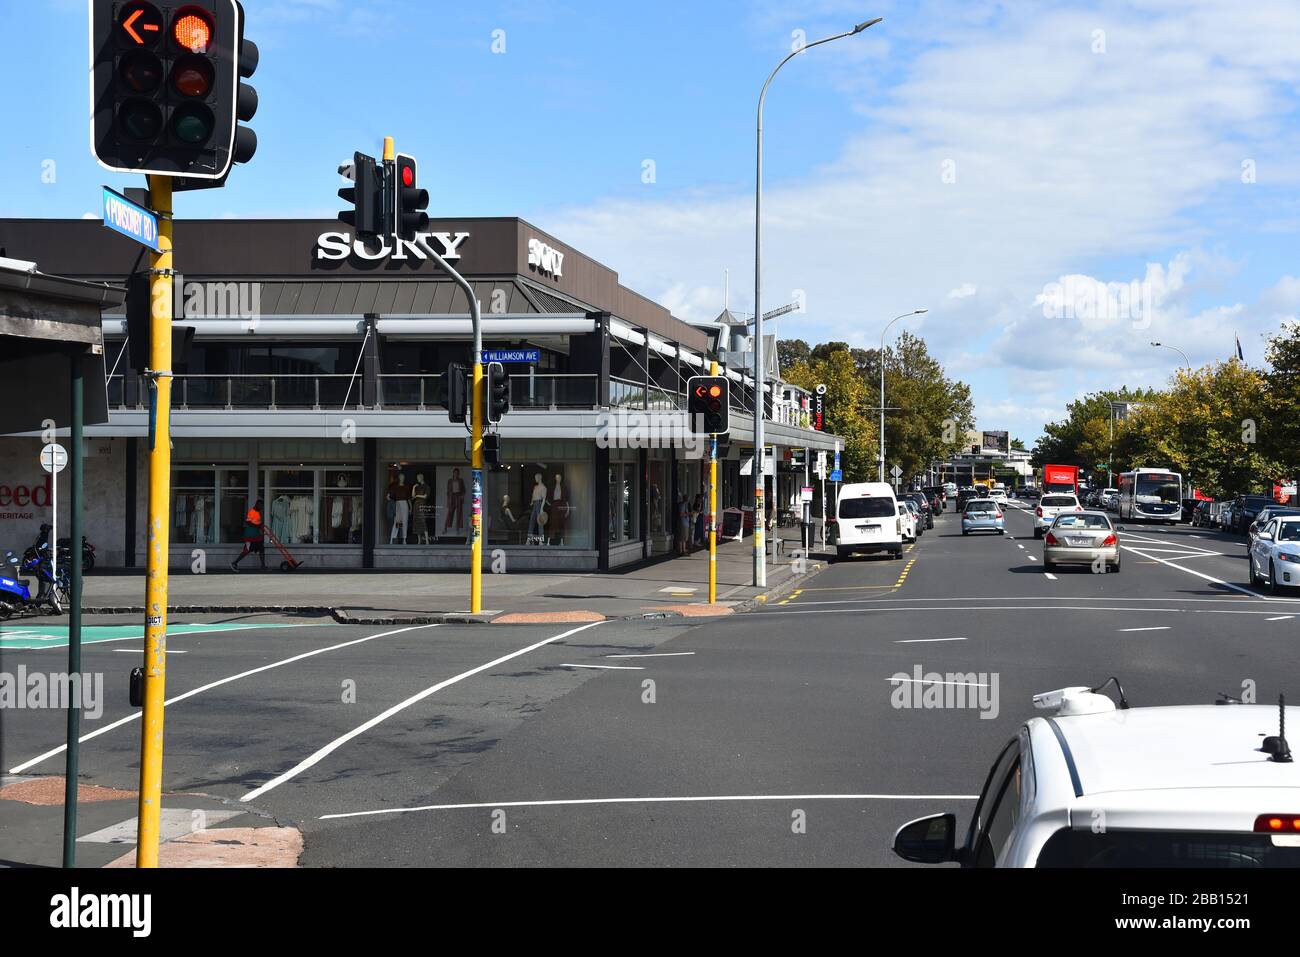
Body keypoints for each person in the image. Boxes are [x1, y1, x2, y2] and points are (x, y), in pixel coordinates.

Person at [231, 498, 265, 572]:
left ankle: (263, 566)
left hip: (257, 536)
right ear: (257, 505)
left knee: (261, 549)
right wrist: (258, 526)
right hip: (250, 536)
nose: (262, 507)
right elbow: (248, 522)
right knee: (247, 550)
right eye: (261, 506)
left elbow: (257, 522)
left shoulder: (258, 512)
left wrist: (261, 527)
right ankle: (234, 563)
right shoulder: (252, 512)